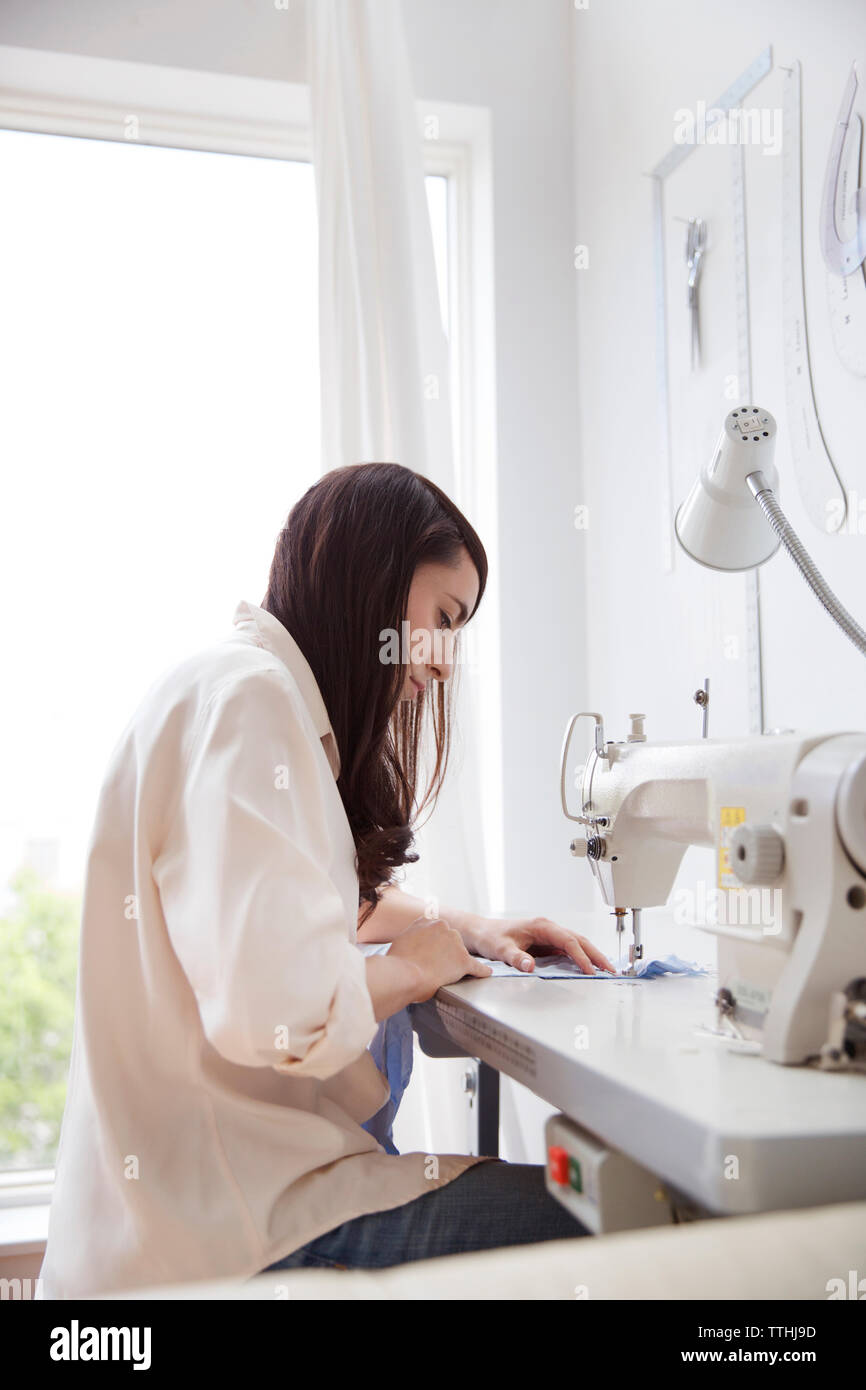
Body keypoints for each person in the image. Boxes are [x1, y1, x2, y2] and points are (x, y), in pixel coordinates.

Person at [39, 463, 613, 1299]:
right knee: (610, 1222)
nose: (444, 663)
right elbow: (278, 1016)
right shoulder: (250, 704)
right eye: (443, 619)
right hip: (229, 1232)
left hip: (194, 1209)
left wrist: (467, 926)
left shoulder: (241, 691)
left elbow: (296, 906)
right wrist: (418, 965)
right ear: (376, 573)